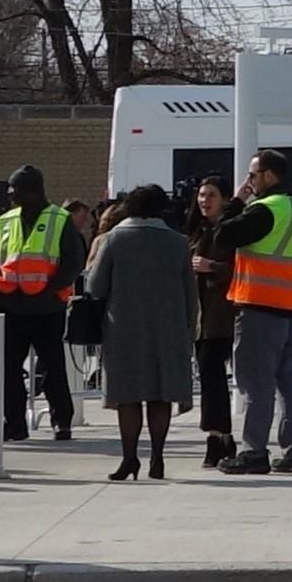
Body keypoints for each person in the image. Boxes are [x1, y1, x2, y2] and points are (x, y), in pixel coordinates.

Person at [83, 182, 196, 481]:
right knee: (160, 396)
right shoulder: (178, 242)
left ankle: (129, 458)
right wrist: (189, 330)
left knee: (128, 397)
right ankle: (157, 457)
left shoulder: (114, 240)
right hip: (168, 329)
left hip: (124, 328)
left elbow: (95, 286)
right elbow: (189, 293)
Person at [225, 147, 292, 475]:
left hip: (260, 307)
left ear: (268, 175)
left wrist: (237, 201)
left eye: (252, 175)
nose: (249, 181)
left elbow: (223, 234)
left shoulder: (264, 210)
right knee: (288, 384)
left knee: (256, 384)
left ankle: (254, 452)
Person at [0, 162, 82, 443]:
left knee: (53, 366)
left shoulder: (59, 219)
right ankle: (14, 424)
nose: (11, 195)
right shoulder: (5, 220)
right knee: (9, 370)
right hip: (12, 306)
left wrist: (50, 289)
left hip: (47, 307)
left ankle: (61, 421)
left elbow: (73, 260)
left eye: (16, 191)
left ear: (35, 193)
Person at [187, 175, 242, 469]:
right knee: (210, 379)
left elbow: (238, 268)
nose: (204, 201)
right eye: (201, 196)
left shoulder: (229, 230)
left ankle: (218, 437)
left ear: (223, 199)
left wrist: (213, 268)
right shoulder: (197, 231)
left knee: (214, 376)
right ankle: (220, 437)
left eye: (211, 195)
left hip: (224, 314)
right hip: (201, 316)